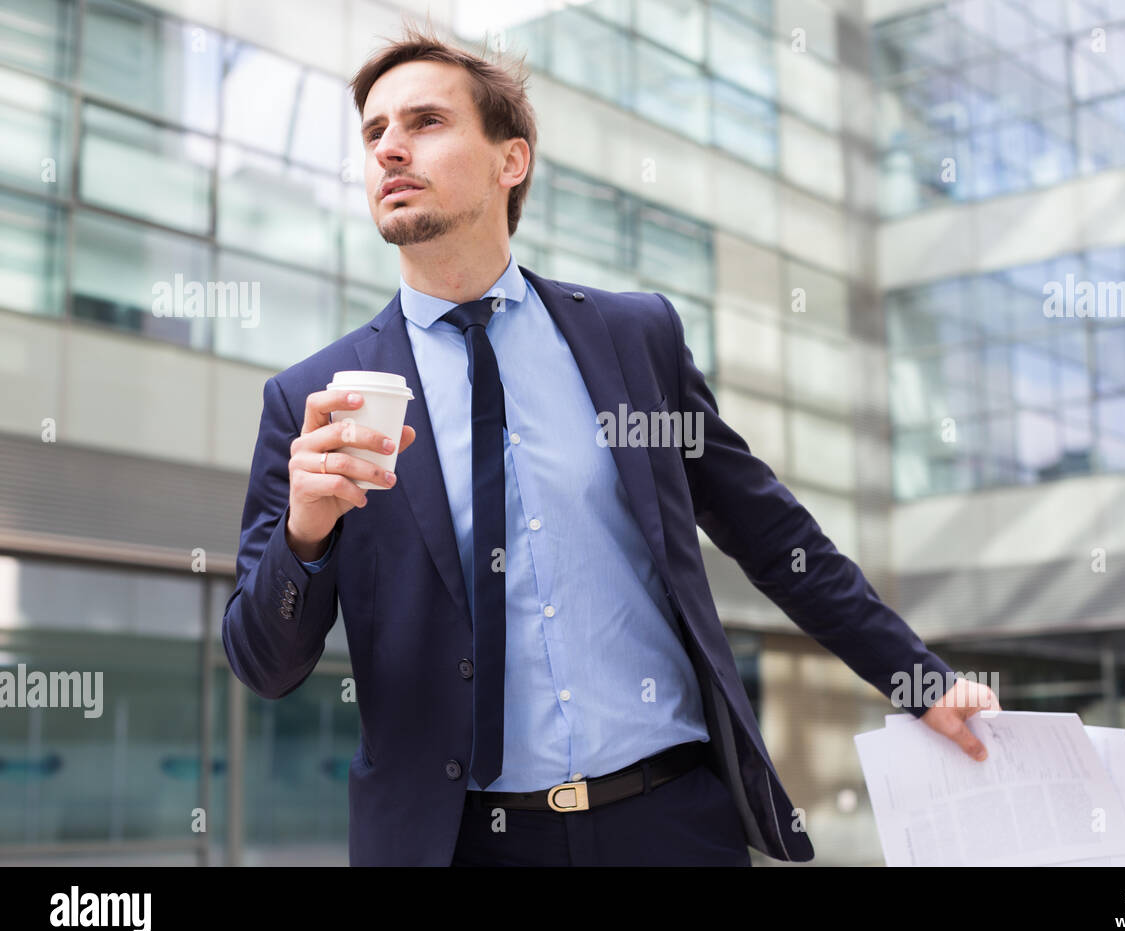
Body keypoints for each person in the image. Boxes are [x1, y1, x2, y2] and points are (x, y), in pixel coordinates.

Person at [221, 25, 999, 867]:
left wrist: (915, 678)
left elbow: (773, 535)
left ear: (509, 160)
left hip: (668, 825)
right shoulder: (314, 398)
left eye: (425, 123)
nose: (390, 150)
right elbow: (264, 665)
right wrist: (305, 536)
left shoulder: (633, 340)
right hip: (462, 846)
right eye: (374, 134)